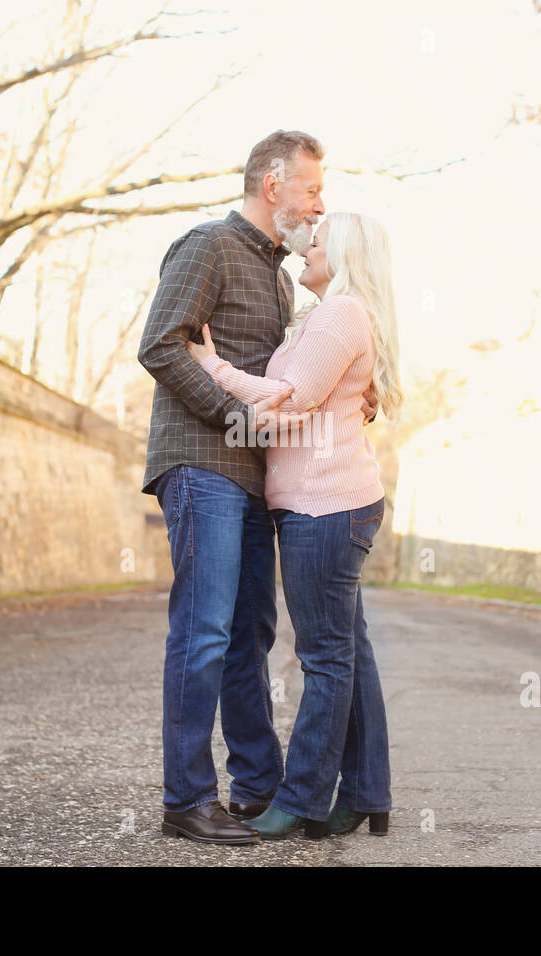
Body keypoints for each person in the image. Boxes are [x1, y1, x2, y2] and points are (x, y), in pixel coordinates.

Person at [137, 131, 377, 845]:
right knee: (205, 629)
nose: (319, 202)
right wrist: (235, 415)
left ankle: (255, 786)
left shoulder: (280, 276)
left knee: (250, 634)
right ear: (273, 186)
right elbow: (159, 343)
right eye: (310, 188)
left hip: (254, 477)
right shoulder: (207, 244)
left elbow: (295, 380)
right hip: (201, 462)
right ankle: (186, 798)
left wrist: (355, 391)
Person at [186, 211, 403, 839]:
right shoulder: (331, 315)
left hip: (326, 508)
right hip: (331, 502)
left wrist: (212, 366)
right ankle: (366, 791)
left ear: (344, 250)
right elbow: (301, 404)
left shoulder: (340, 314)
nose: (305, 245)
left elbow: (289, 405)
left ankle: (304, 798)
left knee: (326, 658)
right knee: (348, 654)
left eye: (319, 236)